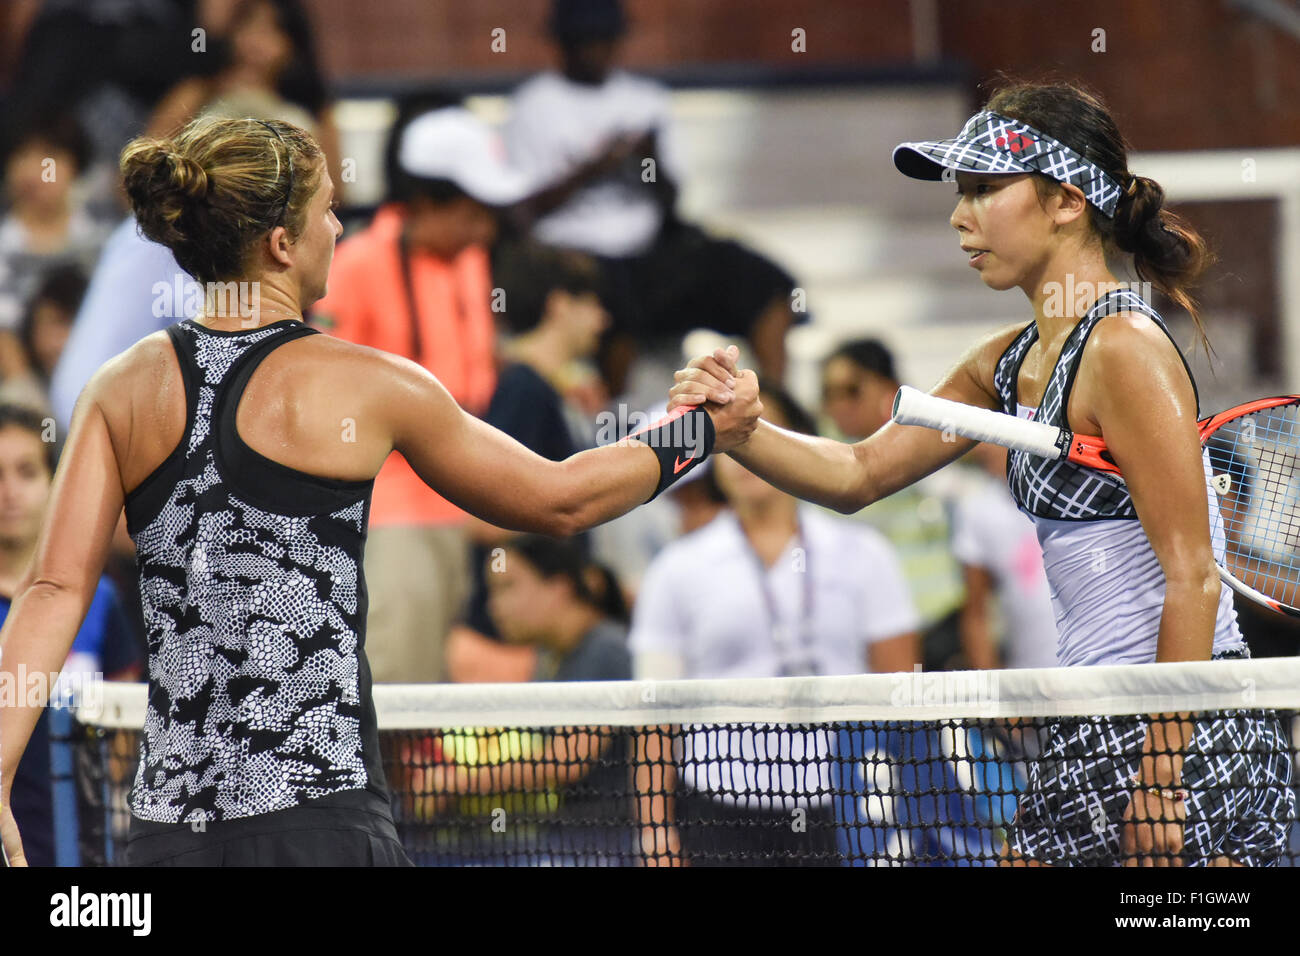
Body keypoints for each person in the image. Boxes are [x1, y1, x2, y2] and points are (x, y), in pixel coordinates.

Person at [0, 114, 759, 868]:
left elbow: (52, 590)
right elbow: (563, 499)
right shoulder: (371, 384)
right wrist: (697, 432)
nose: (338, 226)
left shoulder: (119, 389)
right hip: (326, 826)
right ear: (282, 243)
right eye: (328, 208)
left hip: (172, 838)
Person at [668, 81, 1296, 867]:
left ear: (1067, 201)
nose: (960, 218)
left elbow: (1195, 577)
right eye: (959, 194)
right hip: (1096, 718)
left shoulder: (1125, 348)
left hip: (1181, 723)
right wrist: (741, 429)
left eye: (984, 191)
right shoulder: (1004, 361)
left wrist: (1161, 783)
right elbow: (859, 473)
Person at [631, 384, 918, 866]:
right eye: (729, 444)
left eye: (755, 436)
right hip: (716, 810)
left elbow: (901, 699)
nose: (742, 458)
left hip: (843, 807)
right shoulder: (675, 569)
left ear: (797, 442)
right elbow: (654, 716)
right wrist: (655, 834)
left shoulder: (865, 554)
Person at [311, 104, 530, 684]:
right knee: (397, 692)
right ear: (427, 201)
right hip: (388, 519)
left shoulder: (470, 262)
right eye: (474, 211)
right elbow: (326, 396)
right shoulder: (353, 266)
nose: (486, 228)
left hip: (462, 508)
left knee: (433, 690)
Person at [505, 0, 800, 398]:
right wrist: (594, 167)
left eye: (604, 39)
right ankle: (610, 426)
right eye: (585, 40)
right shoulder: (533, 105)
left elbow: (672, 200)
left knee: (762, 281)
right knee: (616, 302)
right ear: (563, 43)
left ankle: (780, 408)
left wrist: (648, 159)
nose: (595, 49)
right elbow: (522, 210)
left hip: (651, 251)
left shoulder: (646, 99)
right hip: (575, 257)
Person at [446, 241, 610, 683]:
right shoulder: (523, 390)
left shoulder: (547, 390)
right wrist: (568, 516)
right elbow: (481, 516)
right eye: (593, 303)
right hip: (503, 648)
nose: (603, 320)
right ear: (560, 305)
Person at [0, 404, 140, 867]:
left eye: (26, 472)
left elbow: (125, 735)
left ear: (53, 483)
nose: (9, 493)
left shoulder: (101, 602)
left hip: (87, 847)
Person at [821, 339, 969, 670]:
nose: (839, 404)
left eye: (851, 390)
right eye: (828, 393)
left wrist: (909, 415)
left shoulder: (936, 448)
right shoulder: (821, 466)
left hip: (941, 637)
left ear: (887, 387)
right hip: (870, 643)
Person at [952, 442, 1058, 670]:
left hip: (1103, 673)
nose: (982, 449)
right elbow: (976, 615)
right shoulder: (977, 510)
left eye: (990, 439)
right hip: (1029, 678)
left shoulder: (1081, 491)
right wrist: (994, 697)